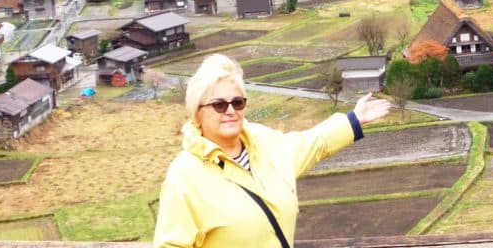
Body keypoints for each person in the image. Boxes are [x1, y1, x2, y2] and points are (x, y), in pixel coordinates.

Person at [154, 54, 391, 247]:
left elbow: (313, 143)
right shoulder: (185, 176)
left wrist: (355, 119)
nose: (230, 110)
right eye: (218, 104)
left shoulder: (265, 143)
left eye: (237, 102)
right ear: (197, 112)